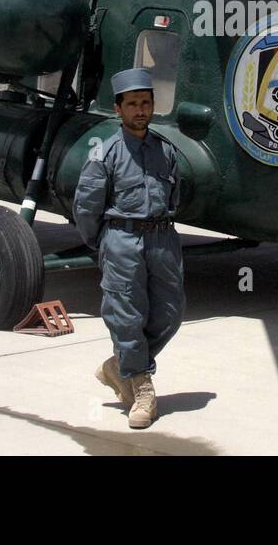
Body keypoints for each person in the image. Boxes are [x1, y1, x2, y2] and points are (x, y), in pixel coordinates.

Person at [72, 68, 184, 429]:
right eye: (133, 104)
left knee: (170, 313)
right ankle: (141, 388)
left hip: (162, 239)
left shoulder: (166, 151)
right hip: (122, 240)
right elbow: (86, 209)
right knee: (127, 316)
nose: (141, 110)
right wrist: (105, 245)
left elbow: (176, 194)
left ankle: (118, 366)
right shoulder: (106, 155)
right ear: (118, 110)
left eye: (146, 103)